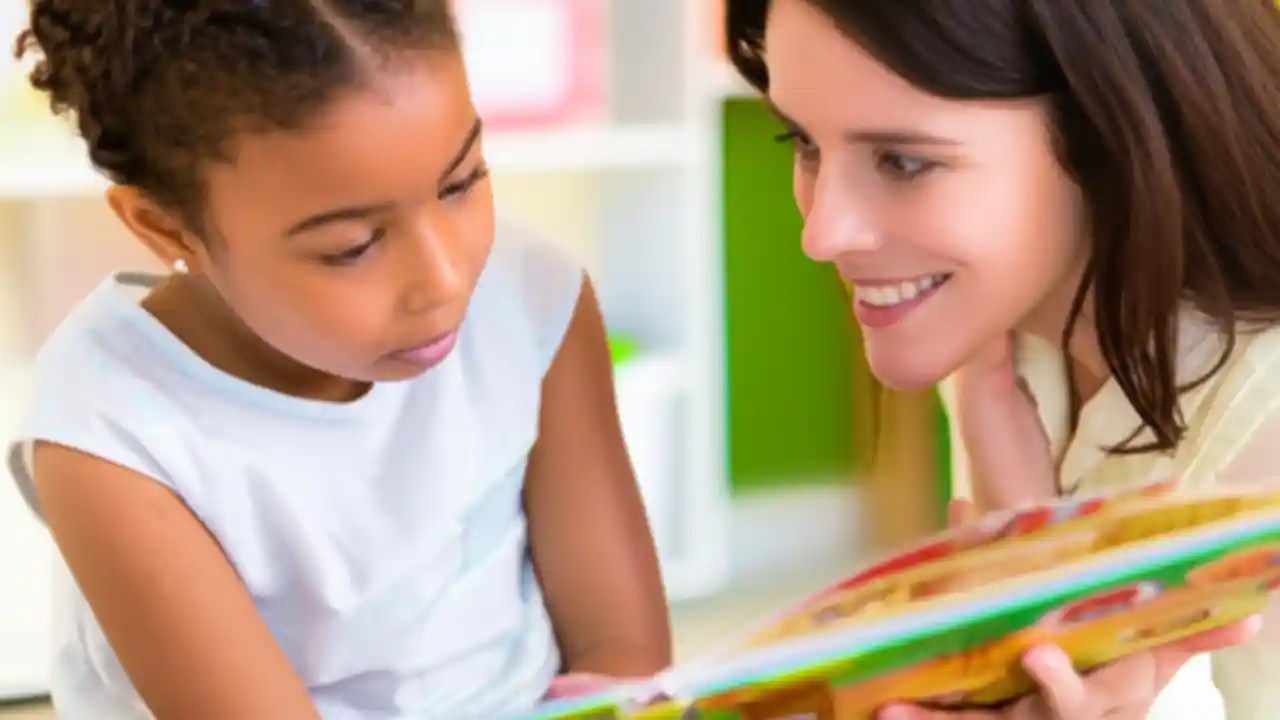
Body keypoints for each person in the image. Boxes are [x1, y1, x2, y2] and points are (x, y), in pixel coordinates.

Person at [7, 1, 670, 718]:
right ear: (168, 227)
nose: (445, 280)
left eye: (462, 181)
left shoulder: (535, 298)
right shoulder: (113, 431)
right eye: (351, 246)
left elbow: (623, 656)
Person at [727, 0, 1280, 718]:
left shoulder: (1261, 429)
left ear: (1108, 137)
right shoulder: (999, 360)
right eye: (802, 143)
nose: (823, 233)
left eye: (903, 161)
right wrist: (1020, 522)